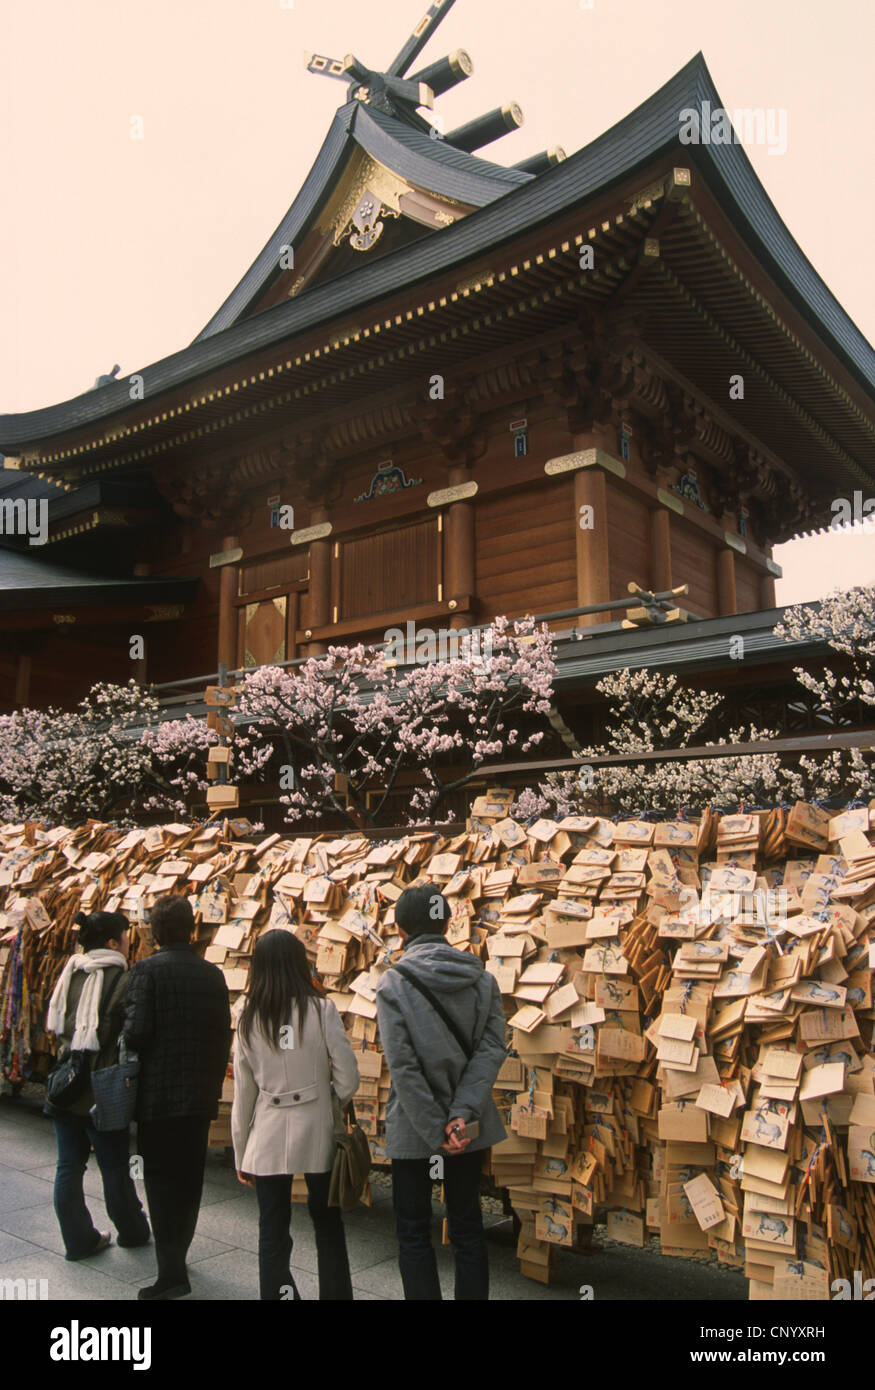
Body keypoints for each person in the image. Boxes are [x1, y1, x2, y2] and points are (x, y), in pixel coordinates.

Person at [375, 884, 507, 1301]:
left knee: (414, 1229)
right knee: (466, 1224)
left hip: (417, 1130)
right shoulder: (482, 979)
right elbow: (490, 1050)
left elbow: (404, 1067)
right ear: (449, 923)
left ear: (399, 929)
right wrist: (460, 1116)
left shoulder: (393, 984)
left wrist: (436, 1128)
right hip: (465, 1130)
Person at [232, 929, 360, 1301]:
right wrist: (330, 1100)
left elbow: (243, 1094)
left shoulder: (246, 1017)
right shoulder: (322, 1010)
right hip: (318, 1125)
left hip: (269, 1131)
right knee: (327, 1223)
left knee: (272, 1228)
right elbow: (348, 1075)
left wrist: (241, 1154)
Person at [123, 892, 231, 1301]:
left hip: (157, 1097)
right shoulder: (212, 975)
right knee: (189, 1180)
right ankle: (177, 1258)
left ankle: (170, 1275)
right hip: (199, 1097)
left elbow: (135, 1033)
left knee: (160, 1181)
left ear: (154, 930)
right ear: (192, 929)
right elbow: (223, 1035)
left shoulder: (144, 972)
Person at [45, 910, 151, 1261]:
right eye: (124, 936)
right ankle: (132, 1231)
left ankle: (78, 1240)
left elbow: (59, 1026)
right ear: (111, 942)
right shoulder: (123, 977)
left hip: (66, 1084)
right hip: (101, 1091)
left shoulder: (71, 971)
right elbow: (130, 1034)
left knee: (68, 1166)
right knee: (114, 1165)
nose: (127, 943)